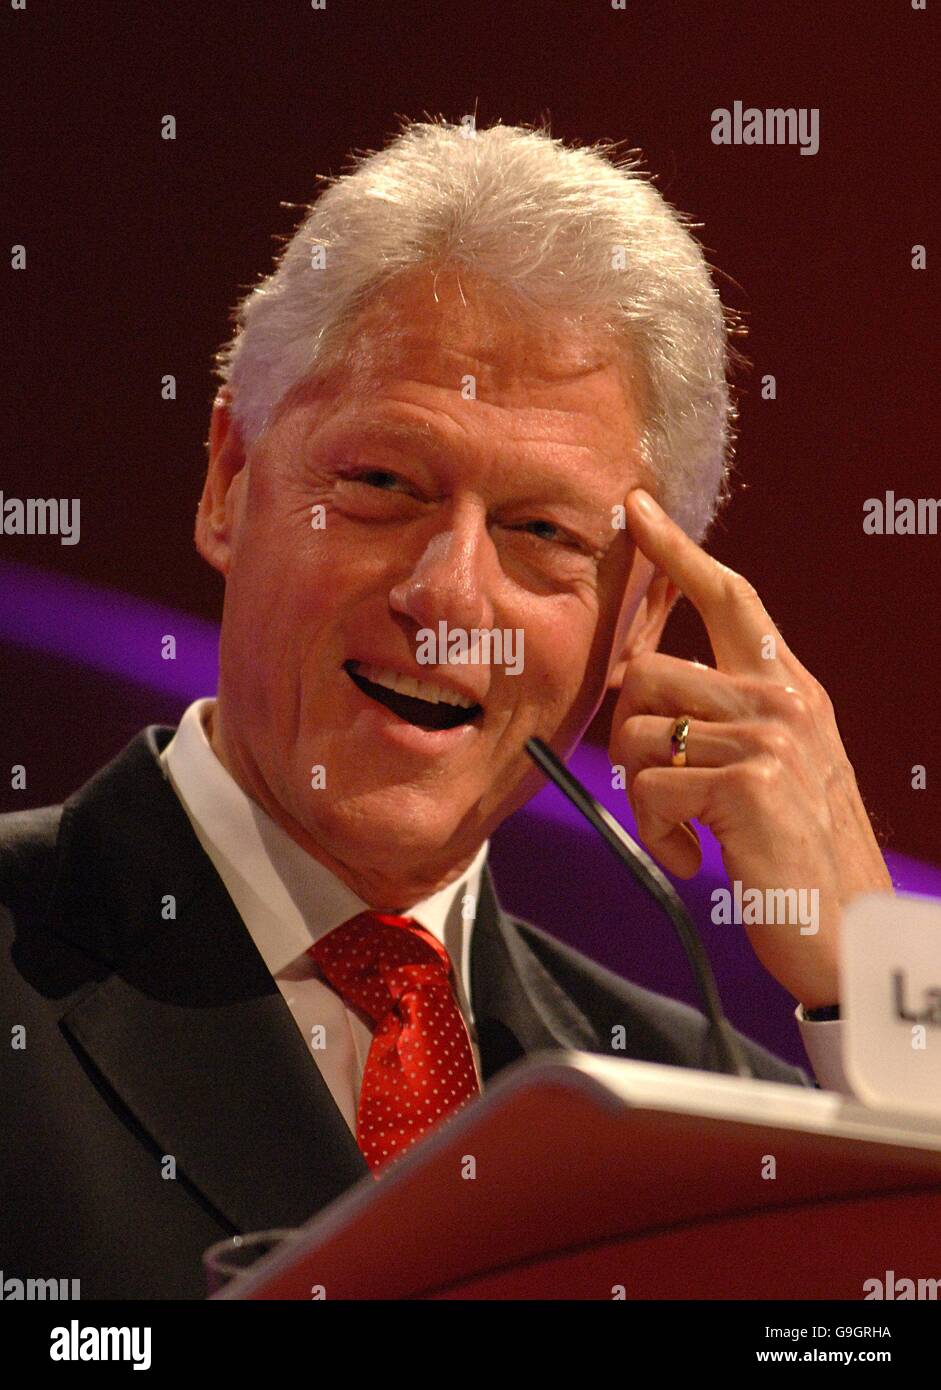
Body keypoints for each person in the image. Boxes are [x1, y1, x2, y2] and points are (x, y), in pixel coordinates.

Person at [0, 118, 893, 1299]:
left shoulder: (698, 1120)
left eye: (542, 534)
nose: (447, 597)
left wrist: (876, 990)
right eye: (379, 483)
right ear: (229, 482)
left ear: (635, 623)